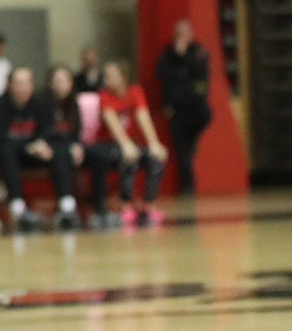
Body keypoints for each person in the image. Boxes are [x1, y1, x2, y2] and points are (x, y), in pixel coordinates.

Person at [0, 67, 76, 232]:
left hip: (30, 153)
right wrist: (29, 146)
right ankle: (17, 208)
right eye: (18, 83)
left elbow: (47, 131)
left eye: (26, 83)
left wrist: (41, 144)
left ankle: (67, 206)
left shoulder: (41, 103)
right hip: (0, 154)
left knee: (58, 150)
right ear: (9, 85)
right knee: (7, 152)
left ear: (32, 85)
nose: (23, 87)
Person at [97, 60, 166, 226]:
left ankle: (149, 204)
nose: (106, 78)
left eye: (110, 75)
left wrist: (154, 143)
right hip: (108, 144)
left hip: (131, 143)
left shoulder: (135, 91)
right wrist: (126, 145)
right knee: (128, 156)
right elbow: (111, 121)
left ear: (123, 77)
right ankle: (126, 204)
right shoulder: (104, 95)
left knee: (155, 157)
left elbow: (143, 117)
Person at [154, 18, 211, 195]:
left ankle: (193, 141)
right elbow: (163, 77)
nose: (181, 38)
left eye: (185, 34)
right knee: (182, 152)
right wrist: (167, 104)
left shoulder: (198, 52)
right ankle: (187, 188)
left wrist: (183, 58)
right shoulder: (167, 54)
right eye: (178, 34)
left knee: (197, 129)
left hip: (195, 107)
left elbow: (200, 77)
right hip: (177, 110)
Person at [45, 65, 105, 229]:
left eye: (64, 81)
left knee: (98, 155)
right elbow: (45, 133)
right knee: (61, 154)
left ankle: (100, 207)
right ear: (51, 84)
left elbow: (76, 131)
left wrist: (76, 145)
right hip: (51, 148)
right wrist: (69, 145)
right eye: (57, 81)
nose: (61, 85)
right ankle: (66, 207)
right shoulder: (45, 103)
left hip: (72, 146)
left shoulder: (74, 102)